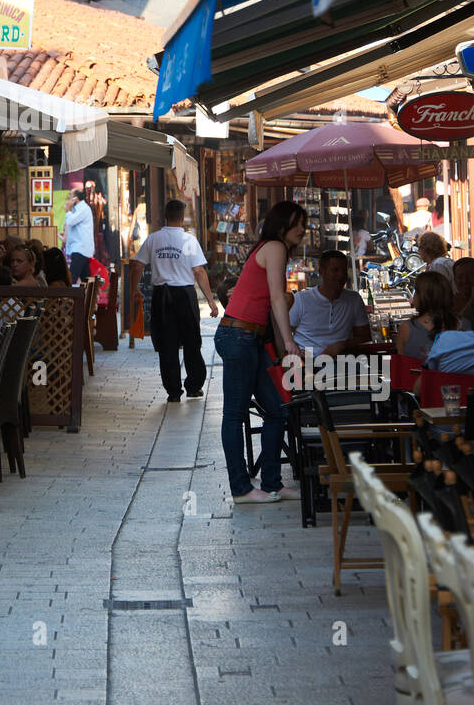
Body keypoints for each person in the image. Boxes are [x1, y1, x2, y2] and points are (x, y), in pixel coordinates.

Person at [214, 200, 305, 505]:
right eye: (297, 224)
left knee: (278, 410)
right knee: (235, 413)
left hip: (248, 337)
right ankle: (241, 488)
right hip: (238, 335)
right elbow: (278, 301)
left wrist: (284, 348)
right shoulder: (275, 247)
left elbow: (271, 305)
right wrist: (290, 344)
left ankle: (272, 483)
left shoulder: (272, 249)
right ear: (282, 226)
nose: (303, 230)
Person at [130, 198, 218, 403]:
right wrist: (211, 301)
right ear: (182, 216)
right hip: (185, 295)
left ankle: (173, 391)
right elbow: (199, 272)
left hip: (162, 295)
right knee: (192, 341)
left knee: (166, 343)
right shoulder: (189, 241)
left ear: (165, 215)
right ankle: (194, 386)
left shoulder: (153, 239)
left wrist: (134, 289)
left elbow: (136, 266)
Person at [288, 250, 370, 358]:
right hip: (307, 364)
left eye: (344, 271)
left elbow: (365, 337)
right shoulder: (301, 300)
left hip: (342, 363)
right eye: (335, 270)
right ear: (321, 272)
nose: (341, 275)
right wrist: (295, 351)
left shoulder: (354, 299)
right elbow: (284, 333)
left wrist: (341, 345)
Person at [396, 270, 456, 360]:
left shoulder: (407, 329)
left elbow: (400, 366)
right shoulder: (463, 325)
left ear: (422, 297)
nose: (413, 298)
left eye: (416, 292)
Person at [64, 186, 95, 283]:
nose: (67, 200)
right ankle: (90, 296)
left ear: (75, 198)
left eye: (69, 197)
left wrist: (68, 210)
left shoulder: (83, 209)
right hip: (80, 248)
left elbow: (71, 221)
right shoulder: (78, 209)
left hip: (80, 249)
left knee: (71, 278)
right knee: (86, 278)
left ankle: (69, 297)